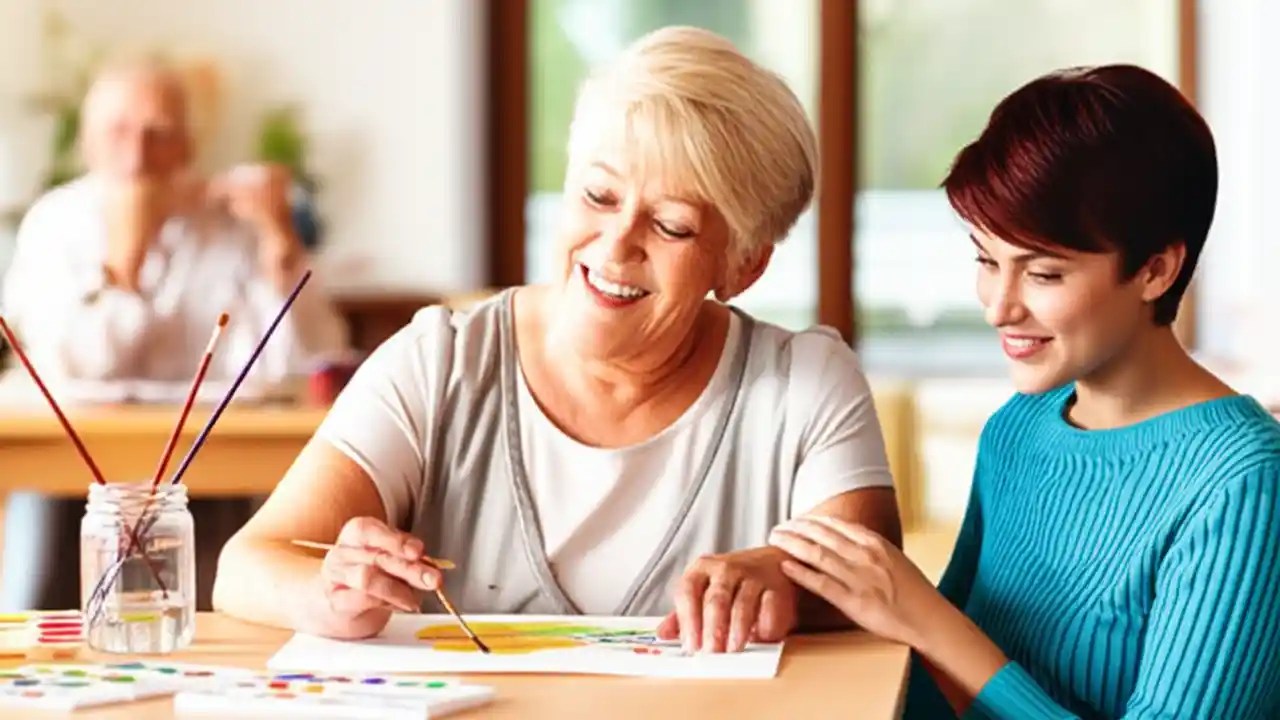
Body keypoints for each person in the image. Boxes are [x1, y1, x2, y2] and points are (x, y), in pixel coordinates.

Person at [213, 26, 901, 651]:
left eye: (672, 226)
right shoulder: (439, 363)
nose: (617, 245)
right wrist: (329, 593)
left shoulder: (805, 385)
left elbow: (877, 576)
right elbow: (245, 567)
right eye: (599, 197)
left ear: (742, 266)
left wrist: (783, 579)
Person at [768, 65, 1280, 718]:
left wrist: (930, 620)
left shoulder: (1243, 483)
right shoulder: (1018, 428)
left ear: (1156, 270)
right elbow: (934, 689)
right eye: (987, 261)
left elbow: (942, 636)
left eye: (1042, 274)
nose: (999, 307)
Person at [0, 59, 348, 611]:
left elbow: (301, 363)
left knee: (220, 602)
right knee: (48, 592)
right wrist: (127, 258)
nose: (137, 156)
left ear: (188, 145)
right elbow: (77, 365)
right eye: (118, 132)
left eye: (157, 133)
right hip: (76, 467)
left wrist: (280, 241)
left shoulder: (233, 223)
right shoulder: (54, 222)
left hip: (212, 455)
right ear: (87, 141)